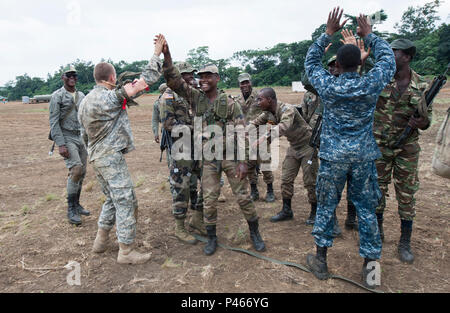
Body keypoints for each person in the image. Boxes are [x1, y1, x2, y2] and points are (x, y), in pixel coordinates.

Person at [304, 8, 395, 288]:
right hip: (363, 157)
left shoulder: (328, 86)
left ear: (339, 66)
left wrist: (327, 34)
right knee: (367, 210)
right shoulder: (370, 84)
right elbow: (388, 60)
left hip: (333, 157)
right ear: (360, 64)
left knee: (327, 206)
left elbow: (310, 64)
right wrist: (369, 36)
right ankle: (371, 273)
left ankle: (320, 260)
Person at [161, 35, 266, 256]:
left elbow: (242, 133)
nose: (203, 79)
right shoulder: (195, 98)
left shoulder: (229, 103)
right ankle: (211, 237)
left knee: (243, 197)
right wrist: (167, 56)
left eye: (208, 76)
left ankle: (255, 233)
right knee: (208, 199)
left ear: (217, 78)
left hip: (229, 157)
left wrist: (245, 163)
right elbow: (174, 81)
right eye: (201, 77)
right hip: (208, 158)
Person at [78, 36, 165, 264]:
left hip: (95, 157)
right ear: (112, 78)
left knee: (111, 199)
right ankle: (125, 252)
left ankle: (101, 241)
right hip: (110, 157)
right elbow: (146, 80)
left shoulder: (85, 102)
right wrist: (157, 53)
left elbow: (83, 134)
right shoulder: (110, 97)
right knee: (126, 200)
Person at [373, 39, 433, 264]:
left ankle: (404, 241)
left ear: (407, 57)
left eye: (393, 53)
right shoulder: (380, 79)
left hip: (406, 149)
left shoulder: (423, 86)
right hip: (379, 146)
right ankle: (378, 233)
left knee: (406, 195)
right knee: (377, 192)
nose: (389, 56)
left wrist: (422, 122)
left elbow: (428, 120)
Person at [251, 88, 319, 226]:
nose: (258, 102)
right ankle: (287, 210)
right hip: (294, 147)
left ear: (269, 100)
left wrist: (264, 137)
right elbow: (254, 122)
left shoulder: (287, 109)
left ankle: (315, 212)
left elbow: (283, 127)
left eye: (260, 99)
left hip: (307, 147)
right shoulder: (268, 113)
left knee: (310, 181)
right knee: (286, 179)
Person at [159, 61, 205, 244]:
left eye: (192, 74)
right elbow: (169, 125)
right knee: (182, 188)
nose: (191, 77)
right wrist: (195, 128)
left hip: (198, 148)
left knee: (209, 180)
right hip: (181, 149)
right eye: (187, 74)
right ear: (178, 76)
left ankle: (198, 218)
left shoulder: (193, 94)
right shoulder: (168, 96)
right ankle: (179, 227)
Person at [49, 65, 89, 226]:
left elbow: (87, 116)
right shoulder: (57, 96)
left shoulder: (81, 95)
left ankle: (77, 204)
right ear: (63, 77)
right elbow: (53, 122)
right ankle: (71, 208)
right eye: (69, 75)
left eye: (75, 75)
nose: (72, 78)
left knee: (82, 172)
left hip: (81, 136)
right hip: (66, 136)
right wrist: (61, 144)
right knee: (76, 169)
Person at [236, 73, 275, 203]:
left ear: (250, 82)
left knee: (265, 163)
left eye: (247, 82)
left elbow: (269, 113)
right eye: (242, 83)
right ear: (239, 85)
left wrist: (268, 132)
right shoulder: (237, 100)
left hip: (260, 135)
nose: (245, 85)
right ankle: (254, 190)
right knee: (249, 164)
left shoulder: (260, 97)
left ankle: (270, 190)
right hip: (246, 138)